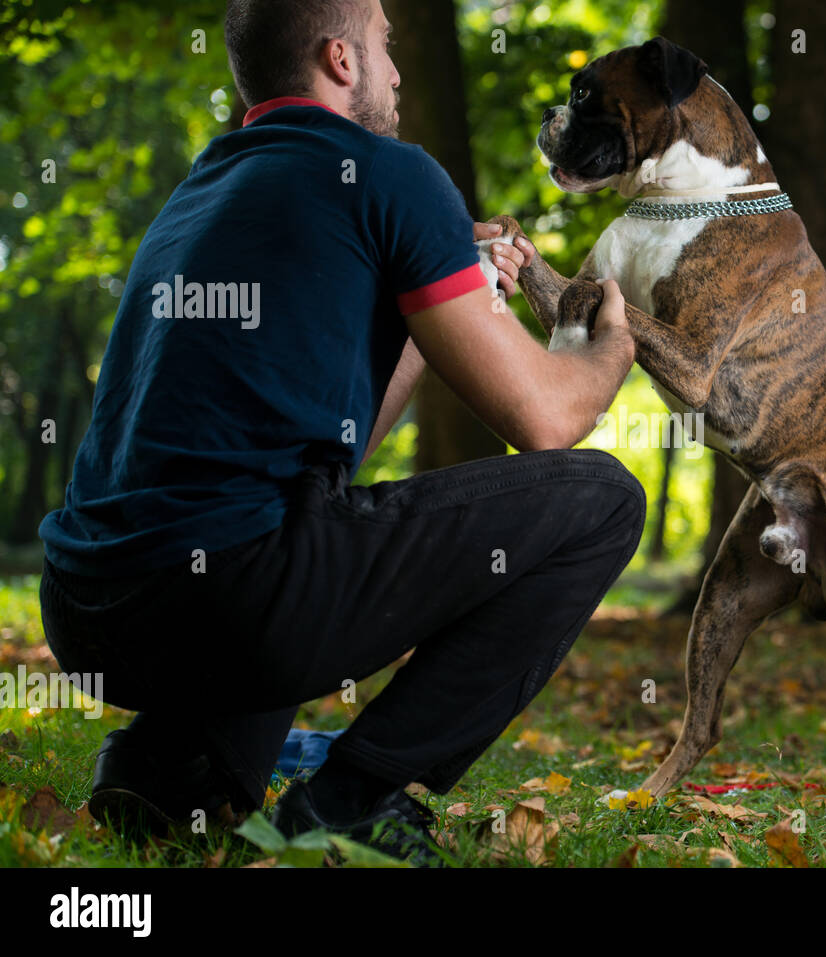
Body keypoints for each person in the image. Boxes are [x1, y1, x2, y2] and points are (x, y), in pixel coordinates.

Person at [36, 0, 643, 864]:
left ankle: (167, 770)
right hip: (236, 599)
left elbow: (326, 449)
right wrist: (610, 342)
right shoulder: (395, 173)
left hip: (90, 610)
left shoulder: (200, 191)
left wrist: (443, 307)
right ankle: (355, 802)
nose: (397, 72)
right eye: (388, 49)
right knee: (605, 499)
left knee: (284, 515)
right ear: (342, 60)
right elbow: (547, 418)